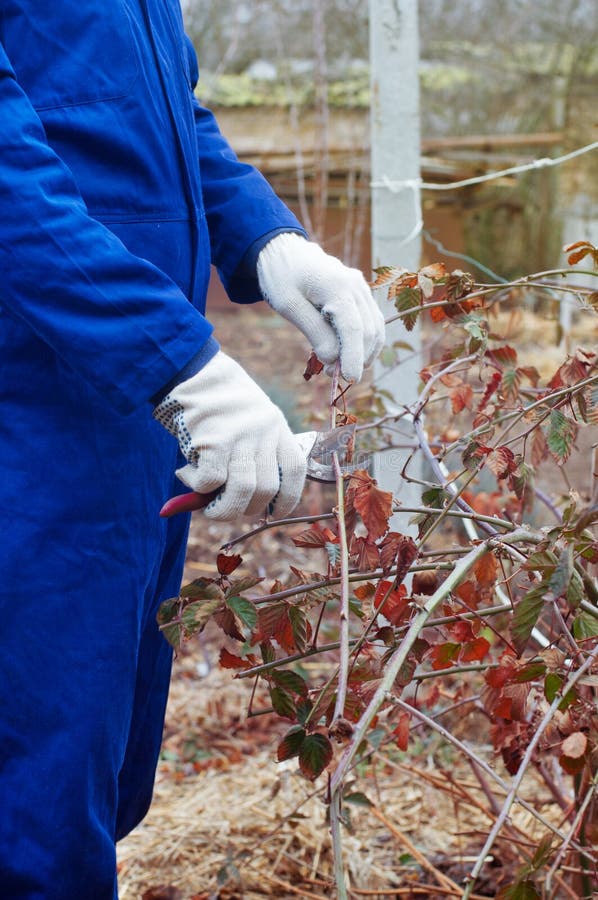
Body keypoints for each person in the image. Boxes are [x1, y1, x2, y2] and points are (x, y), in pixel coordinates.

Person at [0, 3, 384, 897]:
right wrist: (176, 360)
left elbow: (153, 113)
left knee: (96, 772)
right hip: (29, 404)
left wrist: (265, 236)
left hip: (119, 411)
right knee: (32, 805)